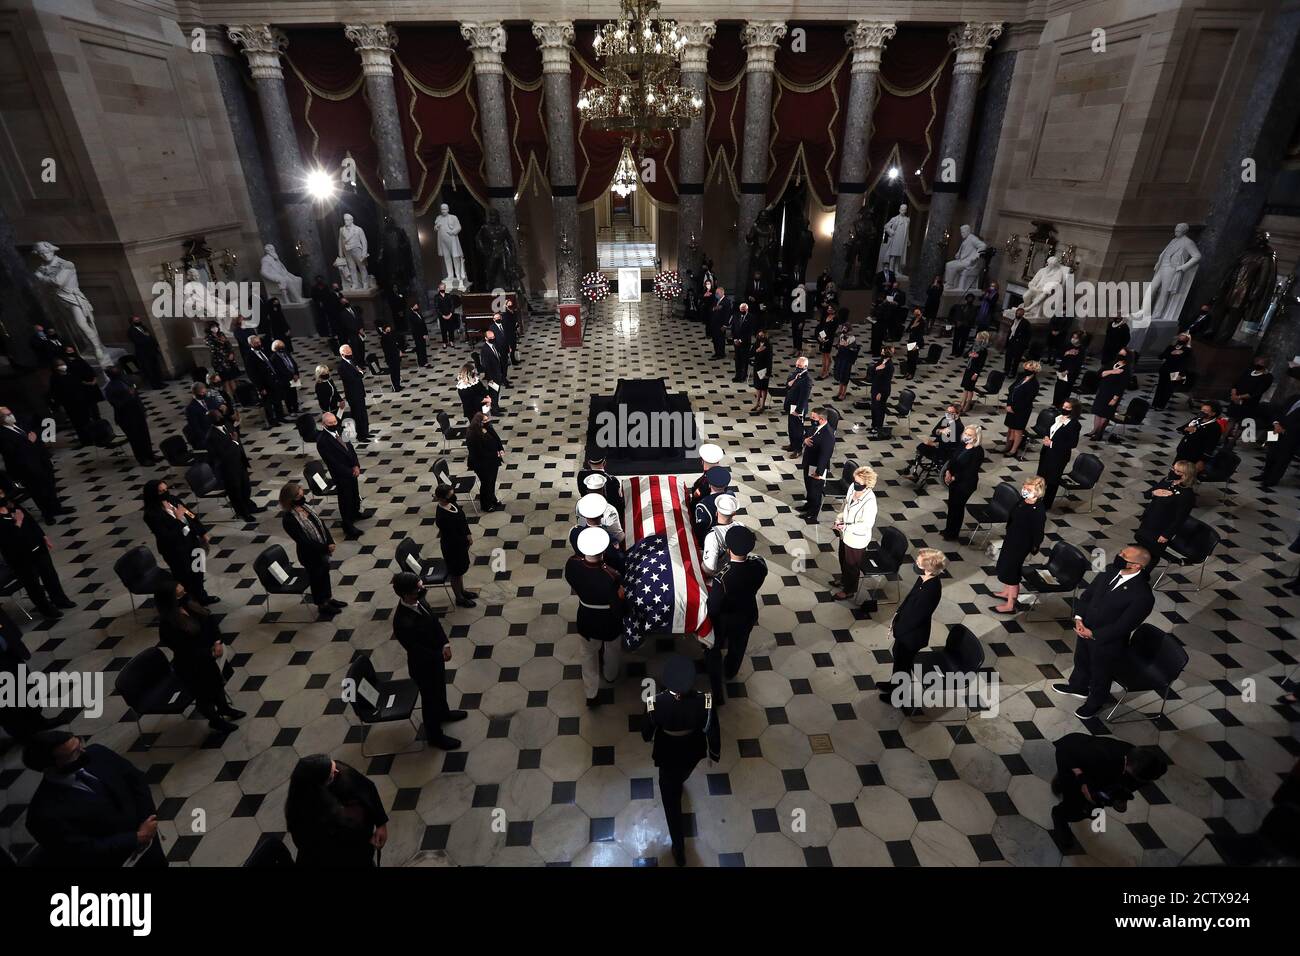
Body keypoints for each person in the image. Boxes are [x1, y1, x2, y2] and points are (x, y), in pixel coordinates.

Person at [22, 731, 166, 867]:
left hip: (149, 839)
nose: (83, 752)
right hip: (119, 859)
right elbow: (81, 851)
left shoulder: (98, 753)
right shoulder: (42, 815)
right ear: (51, 767)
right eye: (74, 754)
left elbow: (136, 780)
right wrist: (136, 838)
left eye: (79, 744)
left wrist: (147, 822)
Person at [1052, 545, 1155, 719]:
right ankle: (1078, 686)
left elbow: (1124, 626)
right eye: (1121, 552)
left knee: (1101, 674)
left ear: (1137, 565)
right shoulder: (1109, 571)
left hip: (1108, 641)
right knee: (1081, 659)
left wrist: (1093, 634)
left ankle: (1095, 703)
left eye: (1124, 556)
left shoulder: (1143, 596)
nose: (1119, 556)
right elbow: (1087, 596)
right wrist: (1079, 618)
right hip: (1084, 627)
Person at [640, 654, 720, 867]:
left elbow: (646, 733)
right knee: (683, 773)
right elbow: (712, 730)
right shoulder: (706, 701)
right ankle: (680, 780)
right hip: (692, 750)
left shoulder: (654, 702)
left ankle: (679, 847)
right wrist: (714, 753)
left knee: (671, 802)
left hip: (667, 753)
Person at [154, 576, 243, 734]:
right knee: (204, 695)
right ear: (170, 600)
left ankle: (224, 708)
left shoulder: (189, 605)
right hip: (192, 665)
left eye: (183, 591)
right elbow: (185, 649)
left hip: (209, 656)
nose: (185, 594)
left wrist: (217, 641)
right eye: (180, 594)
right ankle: (215, 721)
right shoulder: (168, 626)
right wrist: (209, 652)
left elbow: (209, 621)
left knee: (217, 684)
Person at [392, 572, 467, 749]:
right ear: (405, 594)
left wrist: (445, 644)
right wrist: (438, 655)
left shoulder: (420, 602)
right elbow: (417, 650)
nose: (422, 590)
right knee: (430, 701)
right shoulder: (403, 622)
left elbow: (434, 623)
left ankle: (444, 713)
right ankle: (435, 736)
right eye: (417, 589)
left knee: (440, 689)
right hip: (424, 666)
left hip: (435, 658)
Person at [1050, 735, 1167, 848]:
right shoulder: (1100, 752)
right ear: (1126, 761)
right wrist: (1082, 780)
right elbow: (1064, 750)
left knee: (1093, 806)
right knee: (1075, 805)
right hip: (1071, 753)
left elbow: (1131, 783)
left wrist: (1121, 798)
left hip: (1100, 770)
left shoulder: (1148, 767)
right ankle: (1059, 815)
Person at [285, 754, 389, 866]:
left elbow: (367, 788)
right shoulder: (302, 816)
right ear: (318, 788)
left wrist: (381, 823)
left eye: (334, 767)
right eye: (331, 775)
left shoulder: (334, 769)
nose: (338, 771)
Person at [704, 525, 766, 703]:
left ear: (728, 548)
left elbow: (714, 606)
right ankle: (731, 671)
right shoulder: (759, 565)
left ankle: (715, 677)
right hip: (747, 613)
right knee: (739, 645)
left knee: (714, 648)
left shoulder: (722, 577)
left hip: (724, 619)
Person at [565, 527, 625, 707]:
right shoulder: (611, 576)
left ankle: (591, 693)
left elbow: (571, 581)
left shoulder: (572, 565)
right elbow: (619, 608)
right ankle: (610, 675)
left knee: (588, 655)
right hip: (609, 621)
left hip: (586, 618)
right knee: (612, 650)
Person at [880, 548, 946, 712]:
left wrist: (898, 631)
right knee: (898, 658)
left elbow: (917, 617)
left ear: (929, 567)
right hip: (904, 630)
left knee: (904, 664)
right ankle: (893, 684)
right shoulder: (924, 578)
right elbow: (909, 600)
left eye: (918, 562)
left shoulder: (931, 590)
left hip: (912, 635)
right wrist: (897, 616)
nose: (915, 563)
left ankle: (898, 696)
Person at [0, 486, 74, 618]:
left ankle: (60, 600)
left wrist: (42, 535)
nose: (1, 496)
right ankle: (46, 609)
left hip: (36, 545)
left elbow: (29, 519)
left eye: (1, 492)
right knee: (32, 583)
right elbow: (8, 538)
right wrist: (18, 521)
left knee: (49, 574)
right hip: (19, 555)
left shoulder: (10, 504)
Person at [142, 478, 215, 605]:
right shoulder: (151, 514)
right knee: (185, 576)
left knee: (198, 571)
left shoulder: (173, 500)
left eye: (166, 489)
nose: (165, 493)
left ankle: (202, 596)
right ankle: (189, 603)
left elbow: (191, 515)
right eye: (161, 491)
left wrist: (202, 532)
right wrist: (178, 519)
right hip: (175, 550)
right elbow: (165, 536)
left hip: (192, 542)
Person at [280, 481, 344, 619]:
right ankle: (322, 604)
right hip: (309, 554)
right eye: (299, 496)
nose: (303, 498)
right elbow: (303, 541)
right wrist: (324, 547)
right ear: (291, 499)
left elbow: (320, 524)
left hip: (322, 548)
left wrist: (330, 541)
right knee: (317, 578)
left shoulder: (305, 507)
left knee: (325, 574)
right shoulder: (289, 519)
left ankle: (329, 598)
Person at [991, 476, 1047, 613]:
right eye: (1024, 487)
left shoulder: (1038, 510)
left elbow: (1038, 532)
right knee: (1005, 565)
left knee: (1012, 572)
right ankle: (1006, 592)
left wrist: (1034, 547)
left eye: (1029, 489)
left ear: (1037, 492)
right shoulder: (1023, 501)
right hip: (1012, 539)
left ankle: (1010, 605)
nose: (1024, 490)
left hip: (1021, 544)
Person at [0, 406, 67, 522]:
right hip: (26, 468)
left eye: (10, 413)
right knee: (38, 491)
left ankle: (57, 508)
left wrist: (36, 439)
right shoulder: (2, 434)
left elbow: (35, 433)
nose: (11, 416)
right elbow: (11, 452)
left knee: (50, 485)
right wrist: (29, 443)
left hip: (41, 460)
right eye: (7, 415)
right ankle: (47, 514)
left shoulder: (20, 423)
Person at [1135, 461, 1196, 569]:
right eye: (1173, 469)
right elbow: (1147, 494)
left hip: (1161, 529)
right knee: (1141, 546)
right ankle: (1135, 569)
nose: (1173, 472)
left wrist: (1167, 534)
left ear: (1186, 475)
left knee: (1152, 553)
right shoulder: (1166, 481)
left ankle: (1143, 576)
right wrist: (1154, 493)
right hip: (1149, 521)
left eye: (1177, 471)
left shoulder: (1187, 495)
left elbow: (1180, 518)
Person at [831, 466, 878, 600]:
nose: (854, 484)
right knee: (843, 558)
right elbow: (846, 504)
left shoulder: (870, 502)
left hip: (856, 539)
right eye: (854, 480)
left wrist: (846, 527)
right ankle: (844, 580)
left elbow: (865, 525)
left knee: (852, 565)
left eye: (858, 483)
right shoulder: (853, 487)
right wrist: (840, 517)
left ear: (867, 485)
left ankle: (849, 590)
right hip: (844, 532)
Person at [317, 412, 365, 539]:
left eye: (334, 422)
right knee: (345, 499)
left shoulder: (340, 430)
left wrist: (356, 465)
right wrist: (350, 471)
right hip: (341, 475)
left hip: (351, 470)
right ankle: (348, 525)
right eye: (330, 423)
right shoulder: (323, 441)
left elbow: (350, 448)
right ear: (323, 424)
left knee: (355, 493)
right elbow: (333, 463)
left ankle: (356, 513)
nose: (333, 425)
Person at [205, 409, 259, 521]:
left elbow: (237, 437)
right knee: (236, 492)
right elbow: (222, 455)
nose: (221, 418)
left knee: (246, 487)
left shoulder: (228, 425)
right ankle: (243, 513)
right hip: (228, 469)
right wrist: (234, 442)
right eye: (218, 417)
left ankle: (250, 507)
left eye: (221, 415)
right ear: (213, 421)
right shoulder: (211, 437)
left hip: (239, 463)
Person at [434, 483, 477, 607]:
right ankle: (459, 598)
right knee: (455, 573)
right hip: (453, 548)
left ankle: (462, 591)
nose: (453, 497)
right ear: (442, 498)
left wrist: (468, 534)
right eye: (450, 495)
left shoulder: (451, 504)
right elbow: (452, 535)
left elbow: (462, 520)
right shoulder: (442, 517)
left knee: (460, 571)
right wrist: (464, 542)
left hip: (461, 543)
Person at [942, 425, 984, 541]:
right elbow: (953, 459)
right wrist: (948, 472)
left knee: (957, 508)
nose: (966, 436)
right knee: (951, 506)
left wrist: (954, 478)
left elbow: (970, 471)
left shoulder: (978, 452)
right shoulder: (962, 445)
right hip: (954, 481)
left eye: (970, 435)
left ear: (976, 437)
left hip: (965, 484)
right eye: (966, 434)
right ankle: (948, 529)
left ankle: (952, 534)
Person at [1038, 400, 1081, 508]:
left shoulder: (1074, 425)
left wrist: (1052, 443)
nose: (1064, 409)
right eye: (1064, 406)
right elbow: (1050, 429)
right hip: (1047, 452)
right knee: (1041, 476)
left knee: (1052, 480)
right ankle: (1036, 497)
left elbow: (1072, 443)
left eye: (1068, 408)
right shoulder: (1057, 417)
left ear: (1073, 410)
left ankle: (1046, 504)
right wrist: (1047, 436)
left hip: (1059, 456)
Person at [908, 403, 963, 482]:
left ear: (957, 414)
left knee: (928, 449)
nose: (948, 415)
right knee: (921, 447)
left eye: (951, 413)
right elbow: (934, 431)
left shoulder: (958, 426)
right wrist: (940, 431)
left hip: (946, 450)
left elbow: (951, 444)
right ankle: (913, 472)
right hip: (938, 443)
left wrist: (933, 444)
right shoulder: (945, 419)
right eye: (947, 412)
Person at [799, 406, 835, 524]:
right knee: (809, 487)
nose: (811, 419)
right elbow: (807, 433)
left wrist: (819, 472)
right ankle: (808, 506)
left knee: (816, 491)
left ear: (822, 419)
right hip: (809, 463)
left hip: (817, 468)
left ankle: (812, 514)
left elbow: (825, 455)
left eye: (813, 418)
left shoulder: (828, 435)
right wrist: (805, 440)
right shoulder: (815, 427)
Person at [1226, 356, 1272, 443]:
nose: (1258, 364)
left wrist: (1239, 397)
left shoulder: (1267, 377)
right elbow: (1236, 383)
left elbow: (1257, 392)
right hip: (1235, 400)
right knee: (1231, 419)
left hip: (1249, 403)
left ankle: (1232, 443)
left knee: (1242, 423)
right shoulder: (1248, 371)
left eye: (1261, 363)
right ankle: (1223, 438)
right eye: (1257, 362)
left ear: (1266, 365)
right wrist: (1234, 395)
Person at [466, 410, 504, 512]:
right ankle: (486, 504)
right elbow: (479, 453)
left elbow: (496, 438)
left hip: (492, 461)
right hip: (482, 464)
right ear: (479, 422)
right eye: (485, 421)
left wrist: (500, 449)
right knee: (486, 483)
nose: (488, 422)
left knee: (492, 482)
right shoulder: (472, 435)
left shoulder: (486, 428)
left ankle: (492, 498)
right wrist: (495, 454)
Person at [1261, 394, 1300, 490]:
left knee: (1282, 458)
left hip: (1291, 436)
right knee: (1270, 453)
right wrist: (1276, 423)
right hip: (1276, 429)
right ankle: (1264, 474)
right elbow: (1279, 411)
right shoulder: (1293, 397)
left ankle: (1272, 479)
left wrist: (1284, 430)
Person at [1087, 351, 1130, 440]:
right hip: (1102, 392)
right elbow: (1100, 374)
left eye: (1122, 354)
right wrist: (1113, 372)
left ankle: (1099, 434)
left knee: (1104, 414)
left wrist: (1115, 398)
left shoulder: (1126, 370)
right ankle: (1094, 430)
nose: (1120, 355)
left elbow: (1121, 386)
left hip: (1112, 395)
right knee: (1098, 412)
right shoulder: (1112, 363)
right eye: (1119, 353)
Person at [1002, 360, 1041, 457]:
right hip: (1012, 406)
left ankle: (1013, 450)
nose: (1026, 369)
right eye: (1025, 367)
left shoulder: (1034, 384)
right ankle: (1008, 446)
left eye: (1028, 368)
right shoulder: (1021, 376)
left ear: (1034, 370)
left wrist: (1013, 408)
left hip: (1022, 410)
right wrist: (1009, 404)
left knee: (1017, 430)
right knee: (1010, 428)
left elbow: (1027, 400)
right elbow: (1011, 389)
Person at [246, 335, 285, 426]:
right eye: (256, 343)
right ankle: (272, 420)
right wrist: (260, 387)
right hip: (264, 384)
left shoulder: (263, 350)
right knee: (268, 403)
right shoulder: (249, 357)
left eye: (259, 342)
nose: (259, 344)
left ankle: (280, 417)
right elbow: (252, 374)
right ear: (251, 344)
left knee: (277, 399)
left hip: (273, 380)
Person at [1174, 401, 1224, 470]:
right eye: (1202, 409)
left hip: (1194, 456)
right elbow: (1180, 429)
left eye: (1205, 411)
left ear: (1213, 413)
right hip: (1182, 452)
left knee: (1185, 476)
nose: (1202, 412)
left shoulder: (1215, 428)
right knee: (1175, 471)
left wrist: (1202, 461)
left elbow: (1210, 446)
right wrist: (1186, 429)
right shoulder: (1197, 419)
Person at [337, 345, 371, 444]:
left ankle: (365, 432)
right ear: (342, 354)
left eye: (350, 353)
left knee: (363, 413)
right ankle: (361, 435)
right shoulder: (342, 367)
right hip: (353, 394)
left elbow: (359, 371)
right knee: (357, 415)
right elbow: (351, 379)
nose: (350, 355)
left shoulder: (352, 361)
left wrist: (360, 373)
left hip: (360, 392)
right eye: (348, 354)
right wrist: (360, 374)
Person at [701, 494, 740, 579]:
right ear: (734, 513)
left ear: (716, 512)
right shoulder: (740, 526)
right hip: (734, 570)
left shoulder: (713, 536)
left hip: (720, 576)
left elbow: (709, 568)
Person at [691, 466, 731, 544]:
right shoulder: (731, 497)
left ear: (709, 484)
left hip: (709, 539)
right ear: (726, 485)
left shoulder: (703, 505)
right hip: (725, 535)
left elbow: (699, 529)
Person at [1152, 333, 1193, 410]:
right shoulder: (1171, 347)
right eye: (1180, 336)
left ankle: (1161, 406)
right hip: (1165, 370)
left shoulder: (1187, 350)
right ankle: (1155, 403)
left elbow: (1186, 363)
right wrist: (1171, 353)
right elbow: (1161, 356)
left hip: (1175, 372)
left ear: (1187, 339)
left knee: (1168, 388)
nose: (1181, 338)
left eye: (1183, 337)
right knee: (1161, 387)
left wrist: (1181, 374)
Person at [784, 356, 813, 455]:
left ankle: (798, 449)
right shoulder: (794, 374)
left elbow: (804, 397)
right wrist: (792, 381)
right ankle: (792, 445)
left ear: (805, 366)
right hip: (790, 406)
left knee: (798, 429)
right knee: (791, 427)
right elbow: (787, 386)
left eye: (799, 366)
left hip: (798, 408)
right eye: (796, 365)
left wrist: (798, 410)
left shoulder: (807, 380)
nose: (797, 367)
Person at [127, 315, 165, 388]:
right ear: (132, 322)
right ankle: (155, 385)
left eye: (139, 319)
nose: (138, 321)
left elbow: (151, 336)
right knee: (149, 369)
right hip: (144, 353)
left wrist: (156, 345)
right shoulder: (131, 331)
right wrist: (147, 337)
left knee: (156, 368)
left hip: (152, 351)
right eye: (136, 320)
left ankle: (160, 382)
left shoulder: (143, 327)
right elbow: (137, 341)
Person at [958, 331, 990, 414]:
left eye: (977, 337)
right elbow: (964, 355)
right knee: (965, 387)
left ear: (982, 339)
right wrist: (970, 354)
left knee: (970, 388)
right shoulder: (974, 346)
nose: (976, 338)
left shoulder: (983, 351)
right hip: (968, 368)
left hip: (974, 371)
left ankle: (968, 404)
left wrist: (976, 374)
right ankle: (962, 403)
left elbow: (981, 364)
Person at [868, 346, 895, 435]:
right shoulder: (881, 361)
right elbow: (873, 370)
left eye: (883, 352)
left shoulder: (889, 366)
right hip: (875, 388)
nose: (881, 353)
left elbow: (886, 381)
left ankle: (878, 427)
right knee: (874, 408)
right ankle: (874, 425)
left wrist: (880, 393)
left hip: (882, 390)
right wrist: (876, 368)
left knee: (879, 409)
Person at [1053, 331, 1085, 407]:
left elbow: (1078, 363)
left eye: (1076, 338)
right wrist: (1065, 353)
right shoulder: (1067, 345)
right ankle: (1055, 404)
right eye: (1073, 337)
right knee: (1059, 387)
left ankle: (1063, 405)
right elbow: (1059, 354)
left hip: (1071, 373)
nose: (1073, 339)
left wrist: (1068, 371)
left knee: (1066, 389)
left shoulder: (1081, 350)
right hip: (1062, 369)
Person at [270, 339, 300, 416]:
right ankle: (290, 410)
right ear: (276, 348)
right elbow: (281, 369)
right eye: (280, 347)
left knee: (294, 393)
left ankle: (296, 408)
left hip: (294, 377)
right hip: (285, 379)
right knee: (287, 395)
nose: (282, 348)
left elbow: (293, 363)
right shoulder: (274, 357)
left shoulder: (286, 353)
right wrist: (292, 375)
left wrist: (296, 373)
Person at [832, 329, 860, 402]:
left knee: (845, 376)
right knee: (840, 375)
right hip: (841, 358)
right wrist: (839, 345)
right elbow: (837, 346)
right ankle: (839, 392)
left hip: (847, 360)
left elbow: (854, 350)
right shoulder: (842, 336)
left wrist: (847, 346)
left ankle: (843, 394)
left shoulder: (852, 338)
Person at [730, 301, 754, 383]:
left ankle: (743, 376)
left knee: (744, 360)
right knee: (737, 359)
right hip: (736, 342)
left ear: (747, 309)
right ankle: (737, 375)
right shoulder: (736, 316)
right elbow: (733, 328)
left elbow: (750, 332)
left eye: (743, 309)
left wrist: (740, 340)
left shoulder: (751, 317)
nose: (742, 310)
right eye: (741, 309)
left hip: (745, 343)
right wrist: (735, 339)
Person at [1003, 308, 1031, 376]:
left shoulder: (1026, 323)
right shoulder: (1014, 320)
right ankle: (1007, 370)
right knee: (1008, 356)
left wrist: (1024, 345)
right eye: (1017, 313)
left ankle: (1013, 372)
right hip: (1011, 341)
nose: (1018, 315)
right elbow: (1010, 331)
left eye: (1019, 314)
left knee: (1016, 359)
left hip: (1019, 343)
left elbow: (1028, 335)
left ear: (1022, 314)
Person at [750, 331, 773, 412]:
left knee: (763, 388)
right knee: (757, 387)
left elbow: (770, 360)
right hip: (757, 368)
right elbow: (750, 354)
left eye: (762, 335)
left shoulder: (768, 346)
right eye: (759, 335)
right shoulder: (756, 344)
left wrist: (768, 373)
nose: (760, 337)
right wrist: (757, 350)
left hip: (765, 369)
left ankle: (762, 405)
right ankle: (757, 403)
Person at [814, 307, 838, 380]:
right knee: (824, 354)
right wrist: (821, 337)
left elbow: (832, 331)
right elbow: (821, 327)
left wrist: (826, 339)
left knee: (826, 354)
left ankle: (825, 372)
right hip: (823, 335)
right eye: (829, 308)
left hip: (829, 338)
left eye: (831, 308)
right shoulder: (825, 316)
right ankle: (825, 370)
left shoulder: (836, 319)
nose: (829, 310)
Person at [709, 285, 732, 360]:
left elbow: (727, 314)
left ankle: (721, 354)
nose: (716, 295)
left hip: (721, 324)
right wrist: (714, 308)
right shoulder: (716, 300)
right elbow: (712, 308)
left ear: (722, 293)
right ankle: (717, 353)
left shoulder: (726, 301)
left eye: (717, 293)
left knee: (720, 339)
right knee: (715, 339)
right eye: (716, 293)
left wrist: (725, 325)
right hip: (714, 323)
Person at [949, 293, 976, 357]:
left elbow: (971, 318)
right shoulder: (961, 306)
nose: (969, 299)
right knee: (956, 339)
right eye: (968, 298)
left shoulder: (974, 308)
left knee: (963, 340)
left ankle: (959, 352)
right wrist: (956, 321)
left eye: (971, 298)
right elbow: (957, 314)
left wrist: (962, 322)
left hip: (966, 326)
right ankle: (954, 351)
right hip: (958, 324)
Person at [405, 300, 430, 367]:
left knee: (423, 348)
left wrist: (426, 333)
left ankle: (425, 361)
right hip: (418, 335)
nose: (417, 306)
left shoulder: (418, 313)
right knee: (420, 349)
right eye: (415, 305)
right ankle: (422, 362)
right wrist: (422, 335)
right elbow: (415, 327)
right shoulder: (411, 315)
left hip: (422, 334)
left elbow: (423, 324)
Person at [902, 308, 925, 379]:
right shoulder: (913, 320)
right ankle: (908, 372)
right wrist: (913, 326)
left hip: (917, 342)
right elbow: (908, 329)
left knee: (913, 358)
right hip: (911, 340)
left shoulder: (922, 322)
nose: (916, 315)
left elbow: (921, 333)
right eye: (915, 313)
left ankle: (912, 373)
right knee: (909, 357)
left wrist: (914, 327)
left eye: (918, 314)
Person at [379, 322, 402, 392]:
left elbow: (395, 344)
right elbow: (388, 349)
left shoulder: (391, 335)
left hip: (396, 356)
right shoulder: (383, 338)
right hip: (390, 357)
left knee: (397, 372)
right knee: (393, 373)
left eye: (389, 328)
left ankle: (398, 385)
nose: (389, 329)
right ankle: (395, 386)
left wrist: (399, 351)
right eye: (387, 328)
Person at [434, 281, 458, 347]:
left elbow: (452, 305)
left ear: (445, 288)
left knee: (451, 329)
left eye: (443, 288)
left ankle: (451, 341)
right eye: (441, 288)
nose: (442, 289)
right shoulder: (436, 297)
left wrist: (450, 314)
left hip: (449, 314)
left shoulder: (448, 296)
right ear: (438, 289)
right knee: (443, 330)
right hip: (442, 316)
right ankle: (444, 342)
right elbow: (437, 308)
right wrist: (442, 315)